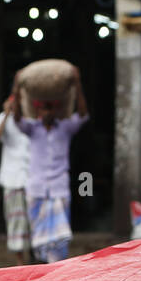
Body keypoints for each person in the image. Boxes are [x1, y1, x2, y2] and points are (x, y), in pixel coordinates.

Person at [14, 66, 89, 263]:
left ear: (56, 109)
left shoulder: (65, 129)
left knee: (60, 238)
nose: (47, 112)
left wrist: (78, 84)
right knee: (38, 239)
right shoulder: (32, 129)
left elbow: (82, 114)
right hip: (37, 189)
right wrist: (16, 87)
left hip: (58, 189)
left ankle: (57, 272)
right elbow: (17, 118)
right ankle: (42, 272)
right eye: (43, 108)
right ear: (38, 109)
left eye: (50, 108)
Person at [0, 91, 31, 264]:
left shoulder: (33, 119)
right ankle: (21, 263)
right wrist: (6, 114)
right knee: (16, 223)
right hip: (13, 178)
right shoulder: (4, 118)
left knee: (34, 224)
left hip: (35, 179)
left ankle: (36, 262)